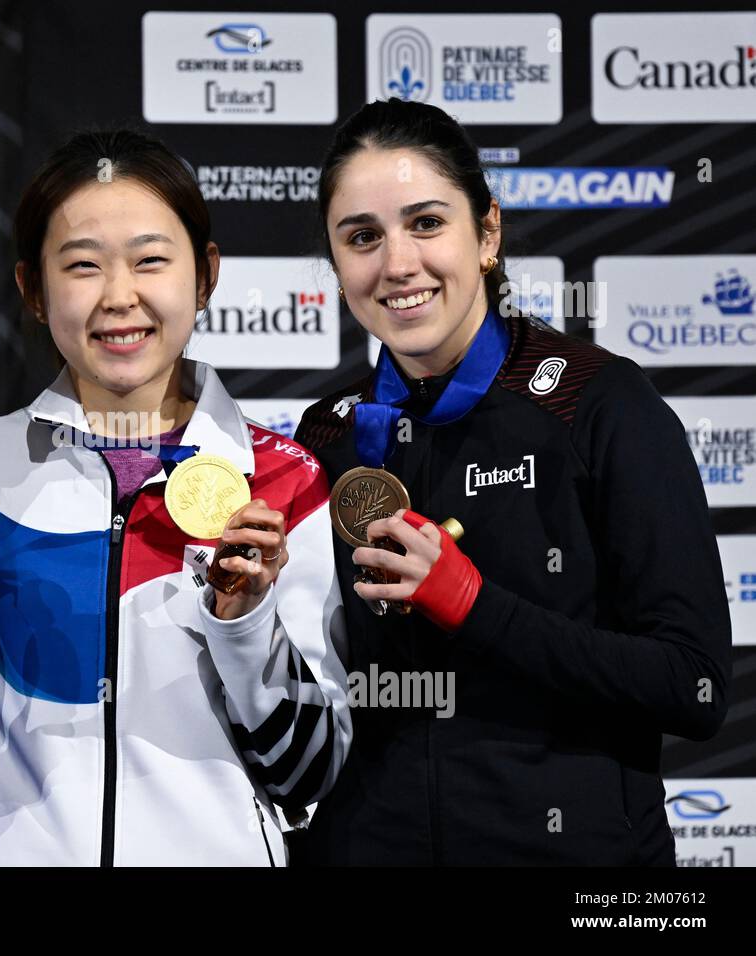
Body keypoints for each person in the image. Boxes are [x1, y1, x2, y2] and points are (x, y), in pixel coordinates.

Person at [293, 97, 731, 865]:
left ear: (487, 233)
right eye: (363, 237)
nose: (397, 264)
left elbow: (692, 684)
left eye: (427, 223)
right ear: (335, 263)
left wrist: (474, 605)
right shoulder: (328, 435)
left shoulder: (596, 403)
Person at [0, 128, 352, 866]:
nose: (119, 297)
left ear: (206, 276)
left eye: (151, 261)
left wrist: (245, 623)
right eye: (82, 266)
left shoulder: (286, 481)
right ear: (32, 289)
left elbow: (309, 773)